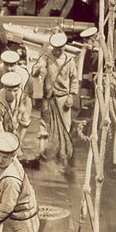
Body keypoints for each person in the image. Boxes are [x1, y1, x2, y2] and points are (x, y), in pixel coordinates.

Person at [40, 32, 81, 171]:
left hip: (63, 98)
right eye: (56, 49)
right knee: (47, 126)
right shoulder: (46, 58)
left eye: (61, 49)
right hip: (49, 98)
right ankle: (48, 155)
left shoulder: (69, 61)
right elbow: (38, 71)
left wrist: (71, 95)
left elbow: (74, 79)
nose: (58, 52)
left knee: (64, 127)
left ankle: (63, 157)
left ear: (65, 47)